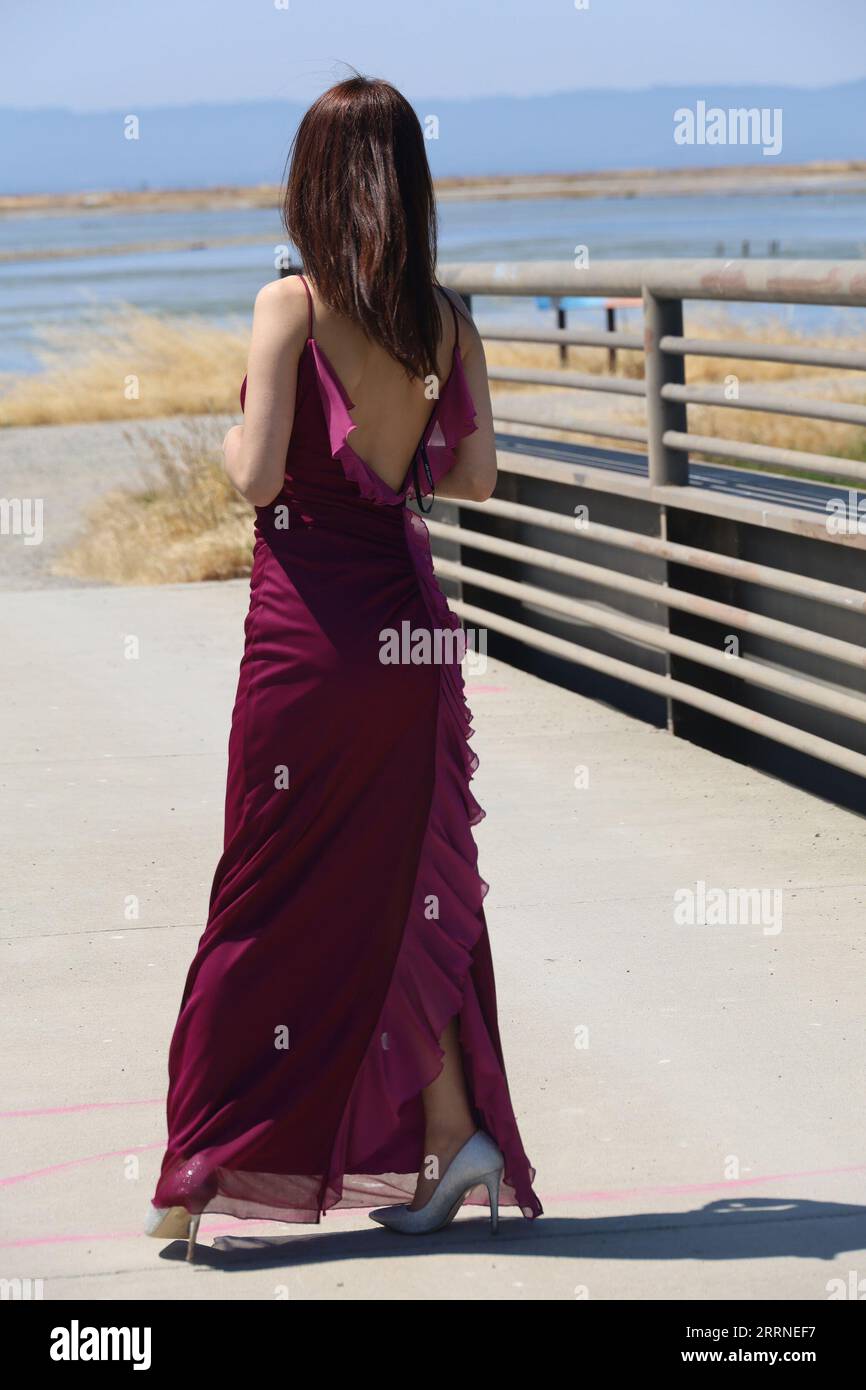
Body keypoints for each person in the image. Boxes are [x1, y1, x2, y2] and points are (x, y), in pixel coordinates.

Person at [147, 74, 542, 1260]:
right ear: (409, 184)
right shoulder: (445, 320)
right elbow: (473, 480)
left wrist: (226, 436)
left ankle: (197, 1171)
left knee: (265, 898)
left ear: (312, 183)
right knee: (404, 891)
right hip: (409, 642)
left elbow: (259, 478)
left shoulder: (289, 308)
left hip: (309, 642)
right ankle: (448, 1132)